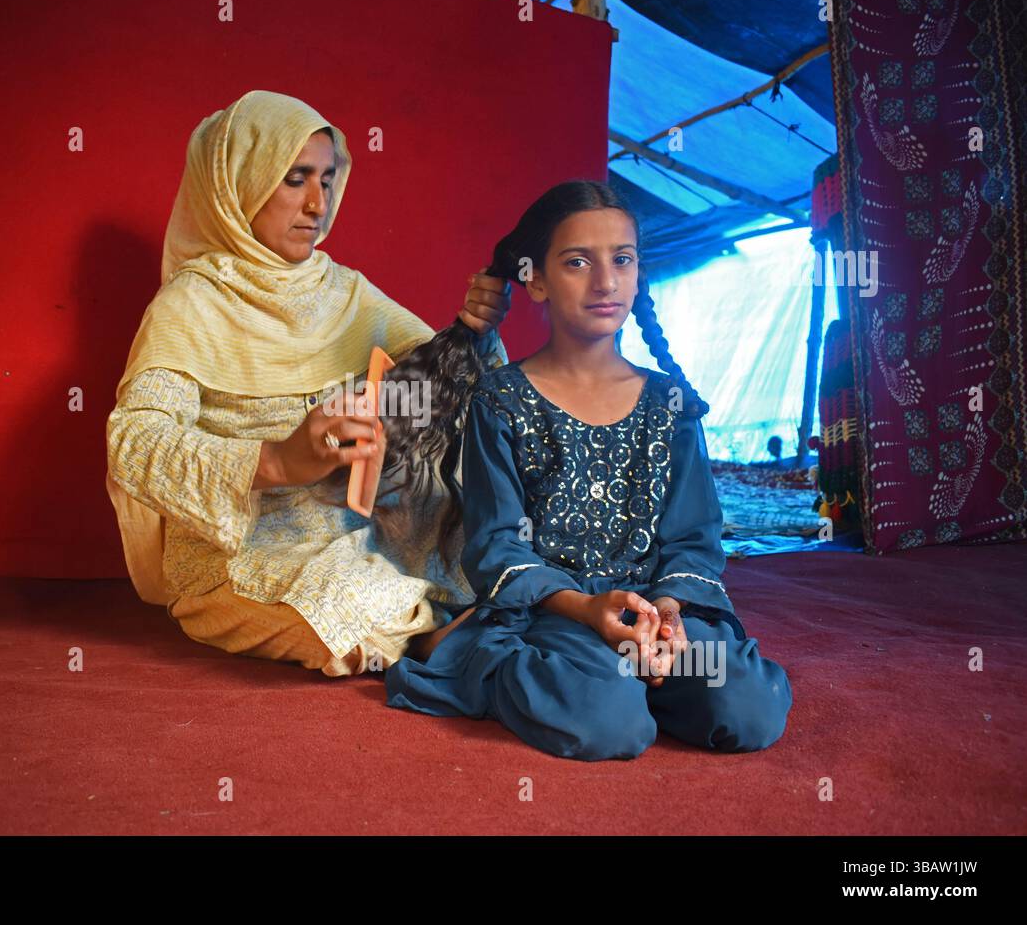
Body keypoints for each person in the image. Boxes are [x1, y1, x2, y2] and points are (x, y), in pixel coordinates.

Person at [105, 90, 509, 676]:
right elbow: (134, 445)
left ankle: (447, 622)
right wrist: (273, 462)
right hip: (245, 540)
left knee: (495, 528)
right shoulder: (189, 304)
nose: (318, 203)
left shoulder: (344, 290)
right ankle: (440, 632)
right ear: (239, 182)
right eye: (294, 179)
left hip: (362, 517)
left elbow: (444, 385)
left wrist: (474, 331)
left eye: (326, 178)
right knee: (332, 613)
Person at [384, 180, 793, 759]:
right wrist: (585, 609)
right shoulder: (500, 401)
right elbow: (497, 543)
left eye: (621, 260)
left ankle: (641, 676)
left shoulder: (670, 404)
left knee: (747, 711)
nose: (605, 283)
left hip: (656, 611)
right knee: (608, 725)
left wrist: (670, 614)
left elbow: (693, 539)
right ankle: (489, 659)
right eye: (578, 262)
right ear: (537, 280)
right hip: (553, 613)